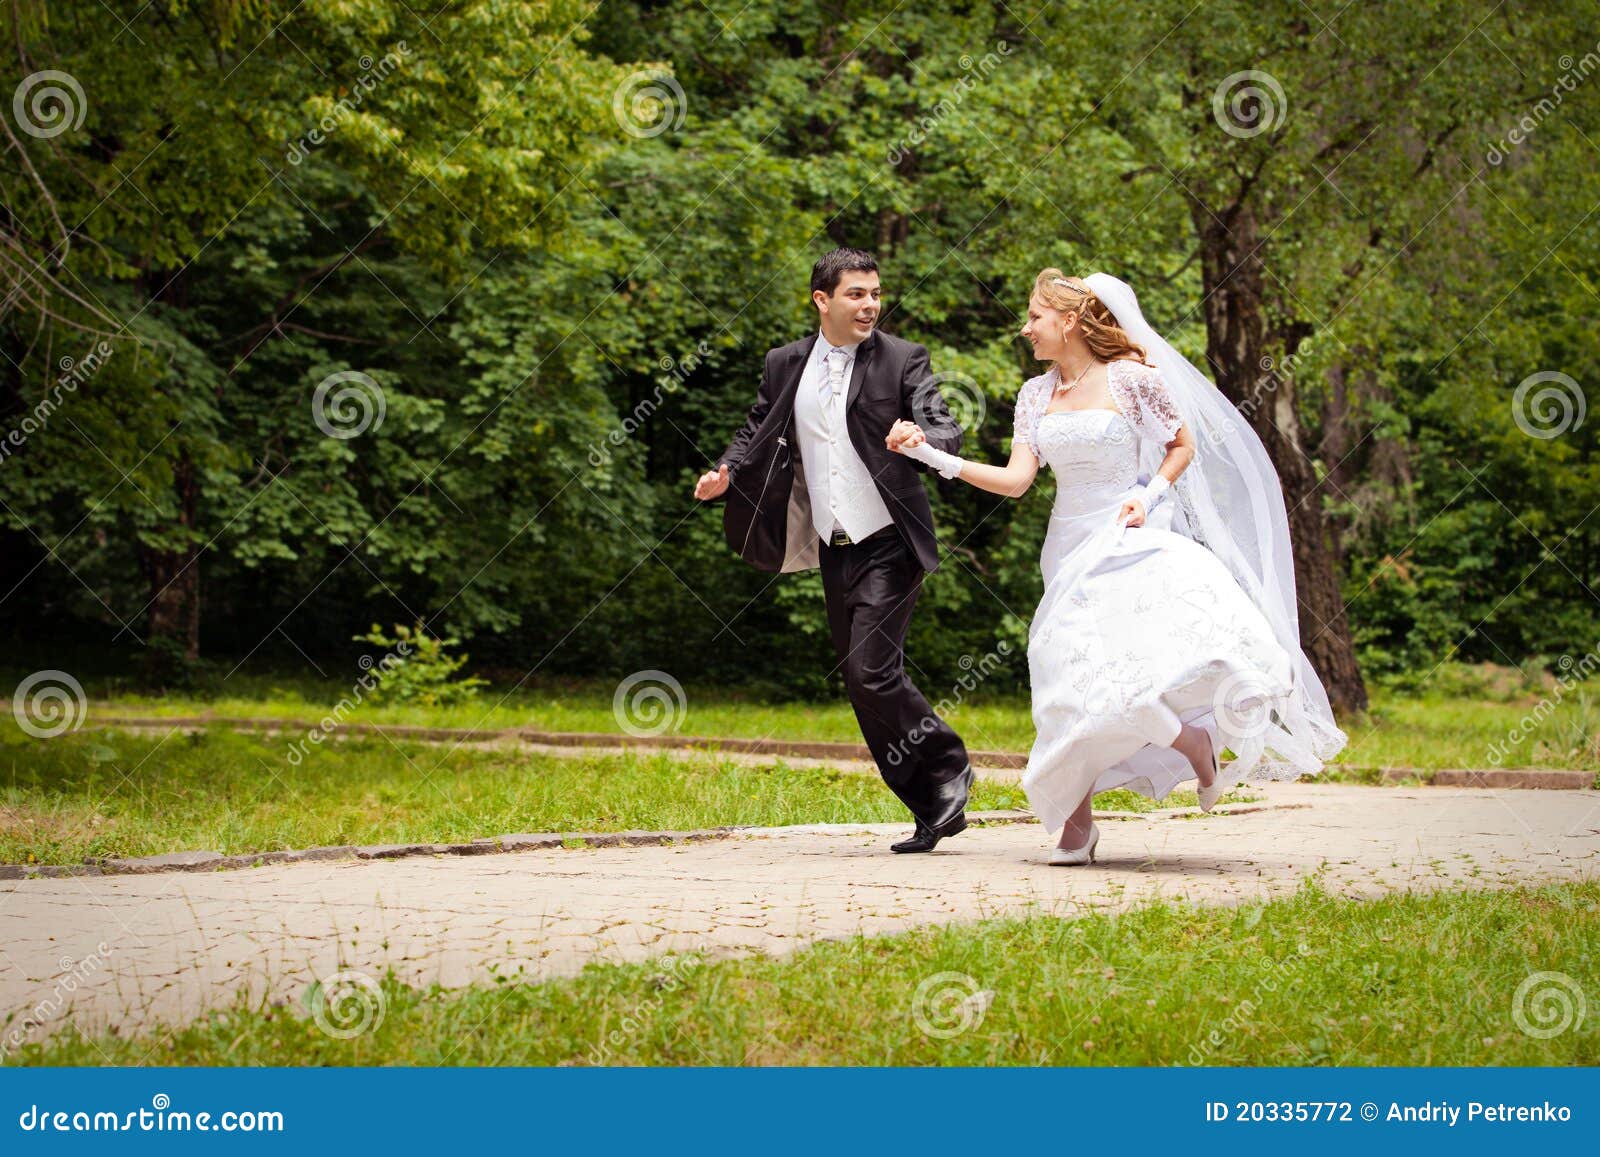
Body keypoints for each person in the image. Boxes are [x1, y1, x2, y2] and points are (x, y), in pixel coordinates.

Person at [893, 270, 1346, 865]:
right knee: (1062, 680)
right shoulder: (1035, 394)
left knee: (1129, 681)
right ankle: (1078, 826)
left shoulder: (1132, 380)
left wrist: (1148, 495)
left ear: (1070, 321)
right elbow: (1017, 481)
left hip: (1126, 538)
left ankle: (1194, 744)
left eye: (1034, 317)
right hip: (1066, 547)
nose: (1024, 327)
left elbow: (1181, 446)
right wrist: (929, 454)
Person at [694, 247, 975, 853]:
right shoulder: (785, 363)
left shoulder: (901, 358)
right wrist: (726, 469)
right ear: (822, 300)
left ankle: (949, 766)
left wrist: (922, 435)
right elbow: (758, 424)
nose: (870, 304)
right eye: (856, 294)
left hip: (889, 539)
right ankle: (931, 808)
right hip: (832, 542)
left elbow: (944, 421)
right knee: (859, 681)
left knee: (871, 672)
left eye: (875, 293)